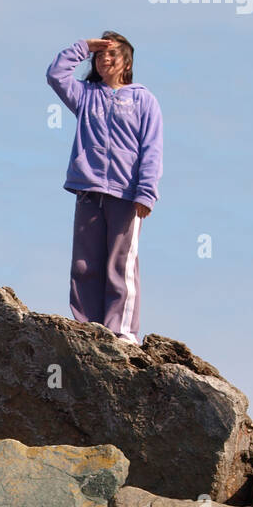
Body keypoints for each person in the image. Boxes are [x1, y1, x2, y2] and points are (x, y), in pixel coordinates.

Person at [46, 32, 162, 344]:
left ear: (127, 62)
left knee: (120, 263)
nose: (104, 59)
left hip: (127, 195)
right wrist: (84, 47)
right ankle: (88, 327)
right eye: (100, 56)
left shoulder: (143, 100)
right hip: (88, 190)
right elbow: (55, 73)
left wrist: (146, 193)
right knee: (84, 264)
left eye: (112, 54)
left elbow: (152, 149)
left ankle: (121, 331)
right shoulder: (85, 95)